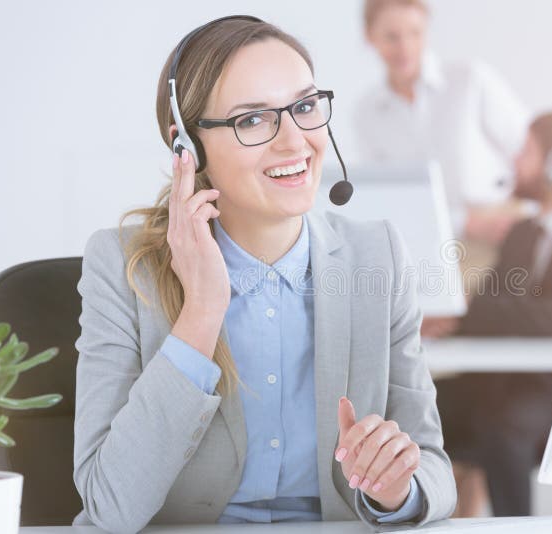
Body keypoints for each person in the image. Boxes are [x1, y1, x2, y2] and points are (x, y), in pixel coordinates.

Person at [71, 16, 455, 532]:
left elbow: (433, 468)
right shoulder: (122, 266)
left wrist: (396, 489)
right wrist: (202, 311)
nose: (295, 141)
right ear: (186, 144)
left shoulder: (375, 255)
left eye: (304, 106)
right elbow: (109, 509)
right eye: (252, 119)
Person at [423, 111, 552, 516]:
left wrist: (475, 314)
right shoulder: (523, 232)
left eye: (526, 151)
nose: (514, 162)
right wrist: (449, 323)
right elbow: (490, 303)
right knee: (420, 408)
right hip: (502, 383)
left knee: (503, 426)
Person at [355, 0, 531, 279]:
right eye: (392, 37)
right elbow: (390, 199)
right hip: (431, 238)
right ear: (369, 37)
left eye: (415, 33)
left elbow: (528, 149)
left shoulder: (469, 80)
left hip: (500, 223)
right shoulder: (369, 113)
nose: (405, 48)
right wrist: (464, 224)